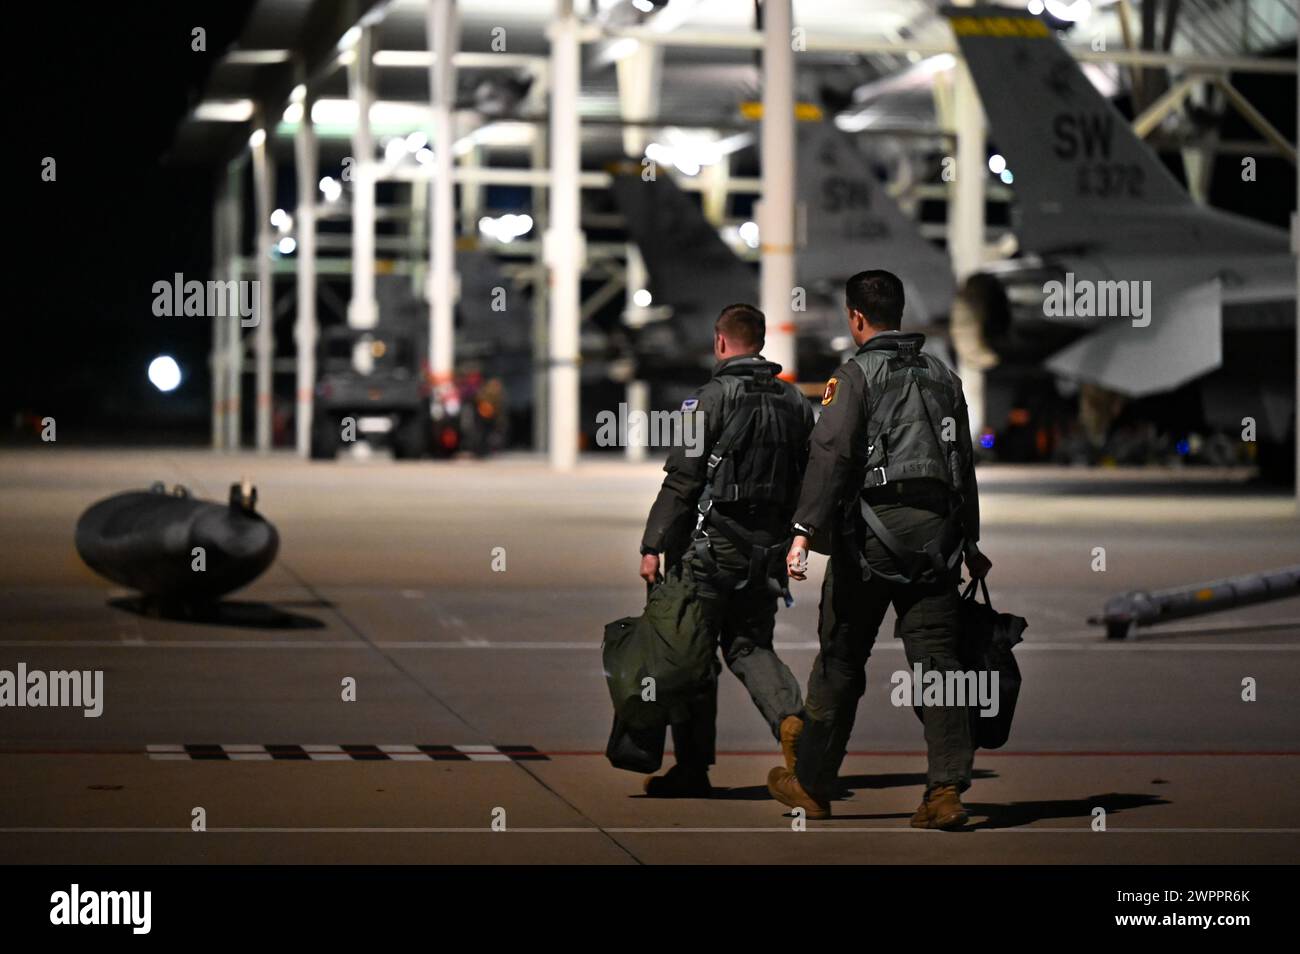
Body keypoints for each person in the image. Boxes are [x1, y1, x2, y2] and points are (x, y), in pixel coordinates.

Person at [766, 270, 992, 828]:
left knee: (841, 663)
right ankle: (944, 793)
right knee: (939, 667)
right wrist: (971, 541)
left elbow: (832, 456)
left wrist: (802, 531)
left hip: (870, 541)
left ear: (857, 318)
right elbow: (962, 463)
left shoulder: (854, 376)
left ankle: (813, 785)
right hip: (936, 544)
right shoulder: (944, 376)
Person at [638, 303, 815, 797]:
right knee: (751, 645)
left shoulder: (709, 399)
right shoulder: (795, 401)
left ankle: (692, 770)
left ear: (720, 342)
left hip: (711, 551)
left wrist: (653, 546)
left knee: (692, 656)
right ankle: (791, 722)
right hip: (767, 553)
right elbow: (812, 479)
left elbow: (683, 481)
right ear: (760, 341)